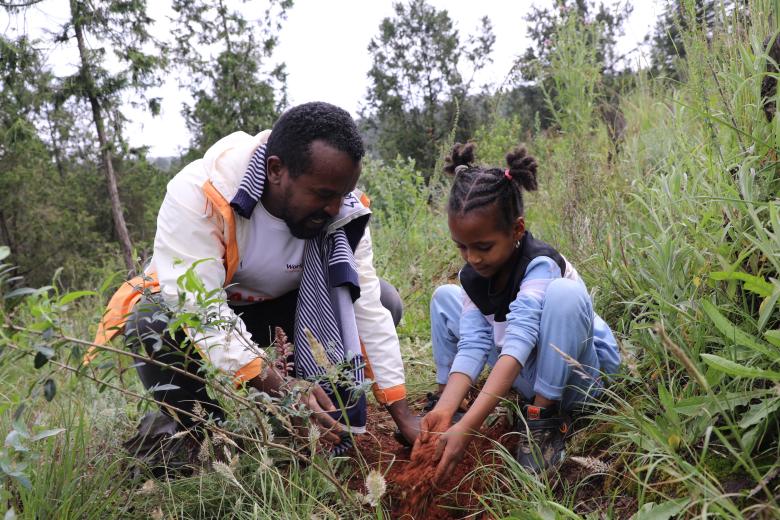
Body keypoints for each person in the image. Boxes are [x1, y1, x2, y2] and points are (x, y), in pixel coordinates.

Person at [90, 102, 419, 455]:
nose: (335, 208)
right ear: (275, 170)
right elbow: (199, 309)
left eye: (343, 194)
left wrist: (401, 410)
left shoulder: (344, 211)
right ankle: (205, 434)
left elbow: (365, 303)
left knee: (385, 299)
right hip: (214, 311)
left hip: (294, 311)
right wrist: (282, 387)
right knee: (149, 320)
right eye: (323, 194)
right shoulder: (201, 195)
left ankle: (311, 414)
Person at [414, 142, 620, 480]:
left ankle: (543, 420)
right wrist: (447, 408)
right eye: (462, 247)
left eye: (483, 247)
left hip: (579, 377)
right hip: (529, 372)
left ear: (517, 231)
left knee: (564, 296)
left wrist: (469, 427)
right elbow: (473, 343)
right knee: (446, 295)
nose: (472, 258)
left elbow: (520, 339)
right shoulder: (475, 275)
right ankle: (445, 406)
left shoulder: (540, 264)